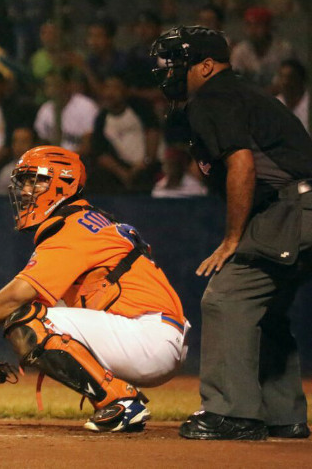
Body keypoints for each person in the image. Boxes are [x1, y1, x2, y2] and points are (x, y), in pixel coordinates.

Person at [0, 145, 189, 433]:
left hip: (147, 336)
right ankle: (118, 401)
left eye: (35, 180)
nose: (26, 190)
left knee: (24, 318)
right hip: (151, 332)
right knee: (35, 315)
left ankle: (121, 402)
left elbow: (17, 294)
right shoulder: (87, 220)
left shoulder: (71, 226)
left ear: (63, 183)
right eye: (23, 182)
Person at [151, 26, 312, 440]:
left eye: (179, 63)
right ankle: (283, 415)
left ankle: (232, 414)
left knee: (227, 298)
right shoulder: (242, 94)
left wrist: (232, 239)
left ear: (206, 66)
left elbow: (242, 164)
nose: (170, 71)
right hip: (300, 205)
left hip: (292, 207)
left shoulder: (212, 96)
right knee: (265, 308)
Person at [87, 73, 160, 194]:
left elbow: (153, 134)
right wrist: (123, 173)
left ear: (124, 90)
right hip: (123, 168)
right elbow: (100, 152)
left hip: (148, 165)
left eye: (115, 88)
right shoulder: (102, 118)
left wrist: (145, 163)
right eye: (107, 88)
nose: (110, 93)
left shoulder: (140, 108)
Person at [33, 67, 98, 155]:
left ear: (67, 85)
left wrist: (63, 159)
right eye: (48, 85)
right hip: (53, 162)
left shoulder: (86, 107)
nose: (50, 89)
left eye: (55, 84)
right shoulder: (45, 110)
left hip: (79, 161)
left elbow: (88, 147)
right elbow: (42, 142)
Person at [229, 7, 295, 91]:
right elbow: (234, 82)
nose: (253, 30)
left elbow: (289, 82)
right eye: (249, 25)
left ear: (268, 27)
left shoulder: (283, 50)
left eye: (258, 25)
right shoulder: (240, 51)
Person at [0, 126, 36, 196]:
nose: (19, 146)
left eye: (24, 142)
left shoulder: (42, 171)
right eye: (16, 141)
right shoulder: (6, 172)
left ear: (33, 145)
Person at [275, 58, 309, 134]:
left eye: (290, 77)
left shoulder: (309, 104)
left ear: (300, 79)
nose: (285, 82)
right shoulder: (274, 103)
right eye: (281, 77)